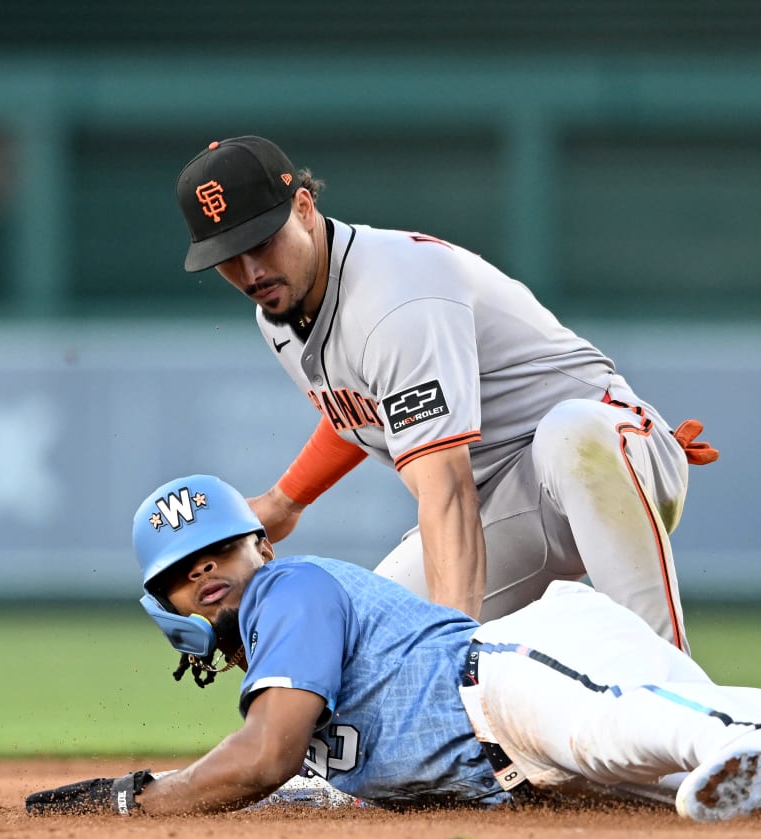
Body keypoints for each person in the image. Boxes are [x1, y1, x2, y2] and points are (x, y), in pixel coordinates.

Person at [25, 475, 761, 819]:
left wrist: (145, 799)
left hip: (517, 675)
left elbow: (261, 754)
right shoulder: (286, 678)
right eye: (191, 568)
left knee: (657, 727)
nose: (219, 569)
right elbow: (301, 768)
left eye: (226, 546)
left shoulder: (285, 594)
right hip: (541, 756)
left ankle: (735, 747)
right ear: (168, 603)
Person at [172, 135, 718, 651]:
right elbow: (371, 405)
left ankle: (678, 698)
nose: (251, 270)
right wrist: (287, 499)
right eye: (229, 254)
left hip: (608, 456)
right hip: (506, 505)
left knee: (569, 436)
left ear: (306, 207)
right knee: (364, 647)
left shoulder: (394, 296)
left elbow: (447, 491)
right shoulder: (280, 309)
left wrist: (451, 648)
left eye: (262, 241)